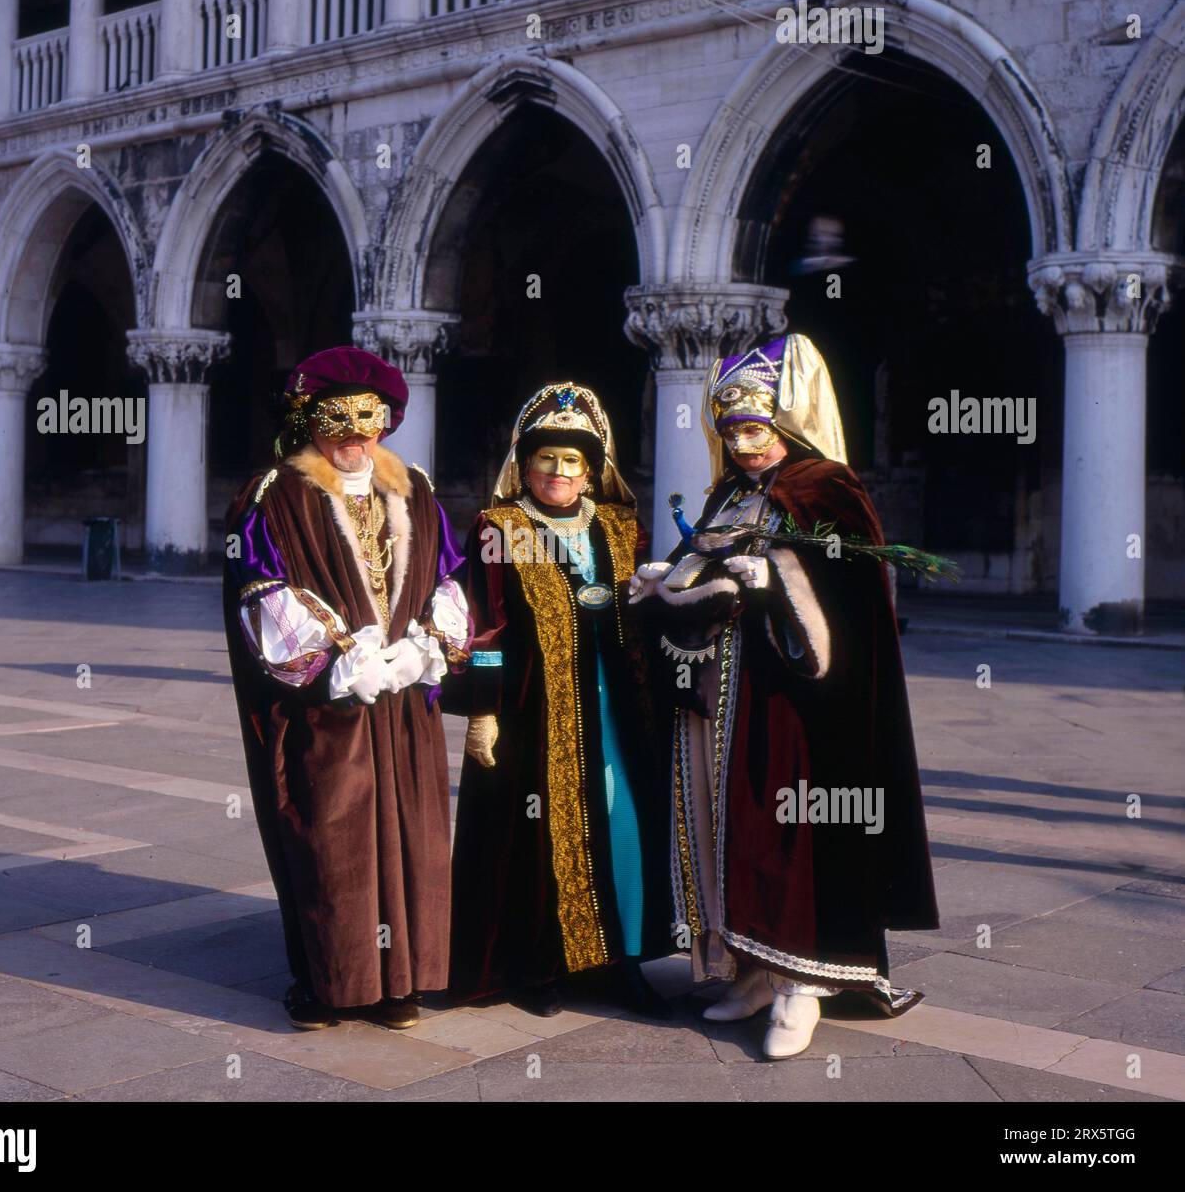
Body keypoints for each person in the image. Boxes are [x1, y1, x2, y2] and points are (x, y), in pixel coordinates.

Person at [629, 333, 939, 1057]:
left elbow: (852, 598)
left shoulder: (825, 486)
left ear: (783, 425)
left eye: (754, 430)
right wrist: (663, 581)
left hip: (796, 705)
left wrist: (774, 584)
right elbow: (695, 565)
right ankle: (755, 968)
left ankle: (804, 983)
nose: (742, 444)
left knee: (785, 832)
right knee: (727, 828)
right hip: (719, 700)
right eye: (732, 431)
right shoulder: (731, 492)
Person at [222, 346, 471, 1031]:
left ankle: (401, 982)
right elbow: (261, 589)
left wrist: (425, 644)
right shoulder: (278, 493)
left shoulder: (412, 488)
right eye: (340, 424)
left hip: (404, 704)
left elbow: (449, 575)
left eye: (370, 423)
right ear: (310, 422)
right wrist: (343, 661)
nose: (356, 439)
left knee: (414, 835)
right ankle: (330, 981)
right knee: (332, 839)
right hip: (328, 708)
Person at [446, 382, 673, 1019]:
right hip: (530, 715)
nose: (558, 471)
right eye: (546, 456)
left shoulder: (621, 527)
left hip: (619, 712)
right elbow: (483, 626)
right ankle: (534, 965)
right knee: (534, 832)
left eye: (574, 460)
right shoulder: (503, 528)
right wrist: (483, 710)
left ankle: (621, 963)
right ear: (523, 463)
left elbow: (648, 616)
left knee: (622, 825)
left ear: (593, 469)